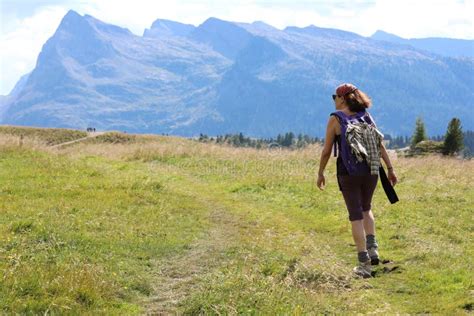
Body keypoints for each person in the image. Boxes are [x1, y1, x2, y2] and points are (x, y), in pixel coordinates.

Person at [316, 83, 398, 278]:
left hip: (349, 172)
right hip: (371, 170)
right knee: (366, 208)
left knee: (355, 216)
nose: (334, 99)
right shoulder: (366, 115)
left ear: (343, 98)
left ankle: (364, 264)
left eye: (335, 96)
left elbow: (327, 150)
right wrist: (390, 168)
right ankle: (373, 250)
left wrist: (320, 172)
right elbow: (379, 144)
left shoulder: (336, 119)